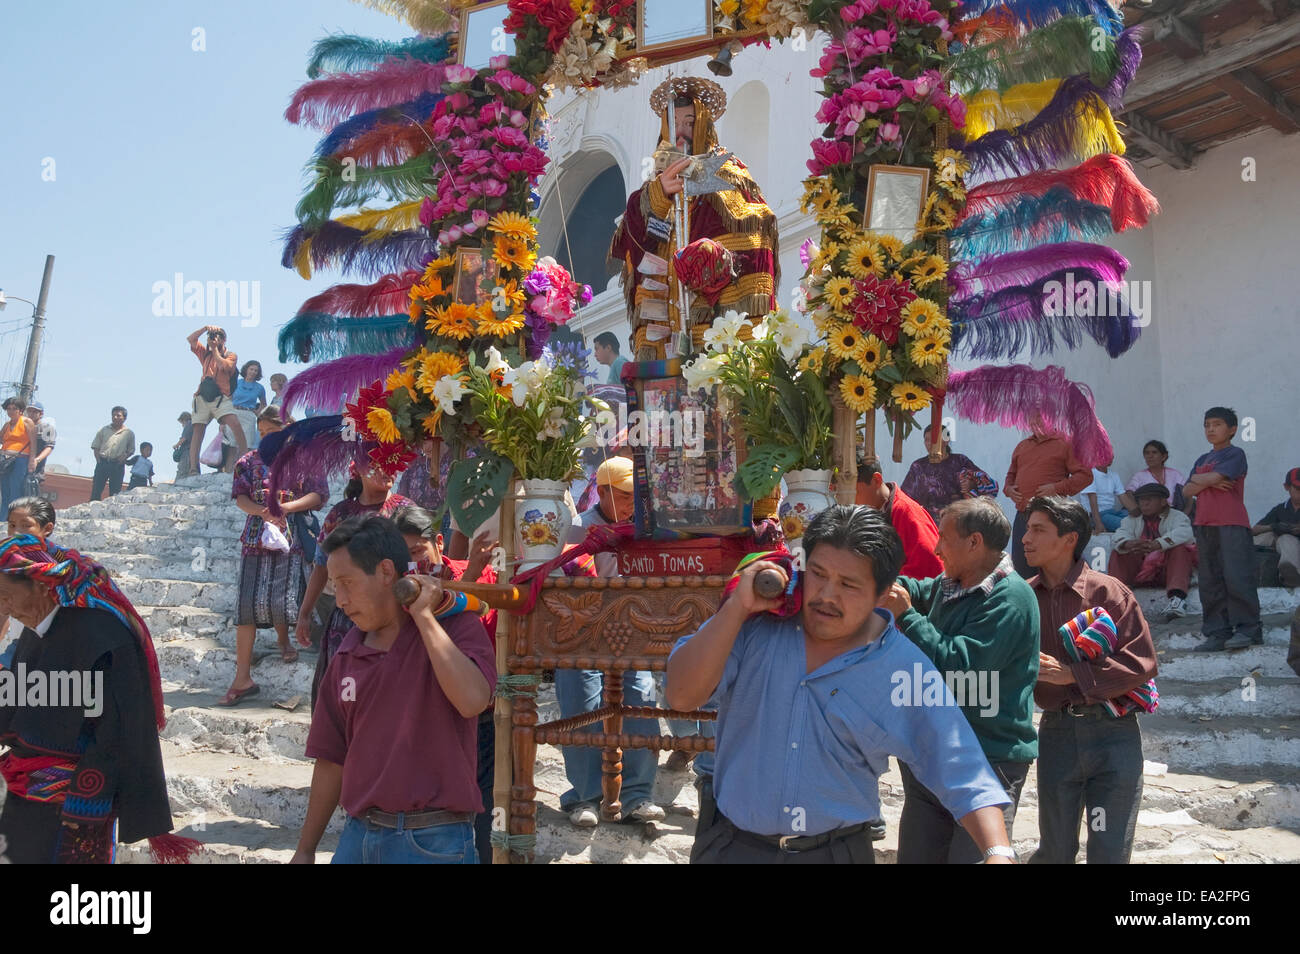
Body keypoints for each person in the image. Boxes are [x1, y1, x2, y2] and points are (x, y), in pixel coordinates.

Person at [667, 505, 1015, 864]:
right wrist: (735, 609)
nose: (827, 595)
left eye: (848, 584)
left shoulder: (901, 669)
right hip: (732, 847)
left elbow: (959, 764)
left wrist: (998, 852)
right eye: (817, 574)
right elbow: (681, 695)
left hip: (836, 852)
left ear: (883, 595)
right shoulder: (755, 625)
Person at [292, 516, 495, 865]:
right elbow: (331, 758)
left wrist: (425, 618)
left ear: (387, 572)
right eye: (335, 587)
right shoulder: (347, 654)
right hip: (358, 836)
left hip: (436, 840)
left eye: (346, 583)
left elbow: (472, 701)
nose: (340, 600)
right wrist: (306, 849)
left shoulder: (456, 628)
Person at [0, 536, 199, 863]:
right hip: (23, 793)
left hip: (75, 803)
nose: (4, 609)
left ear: (40, 584)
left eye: (6, 597)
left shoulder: (102, 639)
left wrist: (86, 797)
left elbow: (116, 733)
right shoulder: (34, 631)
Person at [879, 497, 1040, 864]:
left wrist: (907, 616)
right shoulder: (952, 584)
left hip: (988, 758)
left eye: (945, 540)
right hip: (932, 754)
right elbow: (919, 589)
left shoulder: (1011, 598)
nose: (936, 549)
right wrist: (877, 582)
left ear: (974, 542)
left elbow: (963, 667)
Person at [1021, 496, 1158, 865]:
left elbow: (1141, 662)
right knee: (1055, 851)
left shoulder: (1107, 592)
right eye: (1027, 529)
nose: (1025, 539)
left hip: (1115, 733)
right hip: (1057, 734)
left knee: (1110, 853)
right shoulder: (1023, 597)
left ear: (1069, 539)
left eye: (1038, 530)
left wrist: (1072, 674)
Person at [609, 75, 778, 361]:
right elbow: (634, 239)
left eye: (689, 122)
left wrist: (716, 257)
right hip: (664, 327)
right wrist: (660, 193)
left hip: (713, 319)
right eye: (674, 124)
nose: (681, 133)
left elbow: (758, 227)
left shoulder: (729, 170)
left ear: (704, 125)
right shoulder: (653, 186)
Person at [558, 456, 665, 826]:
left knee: (642, 701)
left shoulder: (647, 528)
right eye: (623, 496)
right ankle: (585, 797)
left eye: (637, 497)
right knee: (580, 699)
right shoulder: (576, 530)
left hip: (634, 630)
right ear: (601, 492)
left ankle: (637, 795)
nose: (632, 505)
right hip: (585, 632)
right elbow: (565, 584)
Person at [393, 505, 499, 864]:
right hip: (427, 720)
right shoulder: (399, 588)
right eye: (401, 555)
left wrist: (469, 575)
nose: (412, 563)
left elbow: (481, 624)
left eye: (417, 551)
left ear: (439, 542)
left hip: (482, 717)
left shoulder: (474, 573)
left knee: (488, 807)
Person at [219, 409, 328, 707]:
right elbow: (240, 496)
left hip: (291, 539)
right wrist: (261, 511)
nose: (267, 437)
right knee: (246, 605)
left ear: (288, 429)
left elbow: (318, 496)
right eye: (263, 432)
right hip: (255, 538)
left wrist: (287, 508)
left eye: (273, 432)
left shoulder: (306, 460)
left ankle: (283, 640)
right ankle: (242, 678)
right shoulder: (248, 461)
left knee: (282, 598)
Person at [295, 455, 415, 709]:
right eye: (380, 462)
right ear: (359, 468)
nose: (388, 469)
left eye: (394, 462)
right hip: (345, 620)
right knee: (341, 699)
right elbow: (320, 566)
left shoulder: (406, 510)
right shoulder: (340, 513)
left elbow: (418, 563)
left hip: (393, 619)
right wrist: (305, 612)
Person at [1182, 407, 1261, 652]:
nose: (1210, 429)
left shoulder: (1235, 454)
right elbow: (1186, 491)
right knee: (1210, 581)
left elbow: (1197, 483)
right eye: (1207, 425)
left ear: (1232, 429)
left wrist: (1200, 481)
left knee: (1237, 576)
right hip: (1204, 524)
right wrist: (1212, 480)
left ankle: (1248, 629)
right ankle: (1217, 631)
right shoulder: (1202, 460)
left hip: (1232, 523)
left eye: (1216, 424)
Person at [1003, 413, 1093, 577]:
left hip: (1053, 515)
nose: (1034, 421)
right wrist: (1009, 490)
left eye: (1040, 416)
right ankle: (1029, 601)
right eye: (1031, 417)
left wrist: (1056, 488)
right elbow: (1010, 477)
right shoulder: (1022, 446)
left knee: (1057, 563)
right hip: (1024, 515)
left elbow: (1085, 476)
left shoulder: (1066, 443)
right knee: (1023, 565)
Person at [1109, 483, 1197, 621]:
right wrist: (1129, 543)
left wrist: (1158, 544)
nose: (1144, 504)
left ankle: (1177, 599)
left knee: (1179, 549)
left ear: (1163, 501)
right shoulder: (1131, 519)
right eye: (1141, 500)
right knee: (1119, 551)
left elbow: (1185, 533)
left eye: (1149, 499)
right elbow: (1119, 535)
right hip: (1141, 572)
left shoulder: (1177, 516)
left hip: (1166, 571)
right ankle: (1116, 600)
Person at [855, 454, 944, 578]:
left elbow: (931, 567)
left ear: (876, 480)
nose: (848, 500)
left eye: (854, 492)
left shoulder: (906, 512)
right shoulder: (868, 513)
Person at [900, 424, 999, 524]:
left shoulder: (960, 461)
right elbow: (905, 497)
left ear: (946, 440)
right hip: (928, 523)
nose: (929, 443)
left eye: (933, 439)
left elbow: (991, 486)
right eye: (926, 440)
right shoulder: (918, 466)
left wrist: (972, 485)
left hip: (958, 523)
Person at [0, 496, 58, 668]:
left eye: (26, 526)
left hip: (54, 646)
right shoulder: (6, 564)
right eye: (12, 525)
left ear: (47, 529)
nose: (16, 532)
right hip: (20, 646)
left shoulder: (60, 567)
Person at [186, 324, 245, 476]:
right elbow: (191, 339)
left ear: (224, 340)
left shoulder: (230, 355)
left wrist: (215, 350)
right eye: (211, 336)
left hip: (221, 398)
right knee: (198, 430)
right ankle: (193, 468)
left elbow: (225, 367)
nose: (213, 338)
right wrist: (205, 328)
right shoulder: (205, 354)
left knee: (235, 424)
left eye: (217, 336)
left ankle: (245, 459)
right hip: (202, 397)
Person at [1251, 467, 1300, 588]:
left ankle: (1291, 574)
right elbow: (1254, 530)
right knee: (1262, 537)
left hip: (1293, 547)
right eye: (1298, 488)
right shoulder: (1280, 509)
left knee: (1286, 539)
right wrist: (1273, 526)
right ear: (1287, 487)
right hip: (1282, 546)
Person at [1118, 439, 1184, 514]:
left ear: (1164, 456)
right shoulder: (1140, 476)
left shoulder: (1175, 474)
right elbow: (1129, 492)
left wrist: (1185, 513)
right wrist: (1138, 509)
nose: (1150, 456)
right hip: (1149, 514)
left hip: (1173, 512)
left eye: (1154, 452)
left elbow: (1187, 495)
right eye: (1147, 453)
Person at [89, 405, 136, 501]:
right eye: (113, 415)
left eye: (118, 415)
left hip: (117, 465)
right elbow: (96, 446)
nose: (115, 417)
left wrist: (124, 457)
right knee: (96, 490)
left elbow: (131, 449)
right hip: (102, 462)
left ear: (124, 418)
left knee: (114, 493)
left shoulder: (129, 433)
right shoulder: (104, 430)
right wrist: (98, 461)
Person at [0, 396, 33, 512]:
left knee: (15, 490)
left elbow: (33, 443)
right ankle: (3, 519)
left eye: (14, 408)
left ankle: (13, 519)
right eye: (9, 408)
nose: (11, 411)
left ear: (20, 410)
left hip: (20, 460)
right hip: (5, 461)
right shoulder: (7, 425)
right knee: (5, 490)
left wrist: (32, 461)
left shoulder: (26, 422)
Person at [1080, 460, 1127, 534]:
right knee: (1126, 525)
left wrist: (1139, 515)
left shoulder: (1114, 475)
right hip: (1097, 515)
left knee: (1132, 518)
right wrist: (1098, 523)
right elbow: (1092, 500)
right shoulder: (1089, 474)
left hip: (1112, 512)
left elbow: (1124, 497)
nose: (1109, 458)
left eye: (1111, 454)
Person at [232, 360, 268, 451]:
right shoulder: (236, 382)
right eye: (251, 369)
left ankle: (242, 464)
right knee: (231, 444)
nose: (253, 372)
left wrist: (257, 413)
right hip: (234, 413)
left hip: (249, 416)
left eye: (256, 370)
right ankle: (229, 465)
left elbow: (264, 404)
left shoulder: (259, 388)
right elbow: (228, 399)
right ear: (246, 369)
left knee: (246, 444)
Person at [24, 400, 56, 476]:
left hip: (35, 469)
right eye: (29, 411)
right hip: (19, 464)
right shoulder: (22, 426)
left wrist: (36, 460)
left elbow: (49, 447)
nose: (31, 414)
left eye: (34, 412)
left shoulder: (47, 428)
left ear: (41, 414)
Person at [173, 411, 196, 480]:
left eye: (182, 423)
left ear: (184, 419)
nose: (182, 425)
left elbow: (184, 438)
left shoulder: (189, 424)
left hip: (186, 451)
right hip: (192, 451)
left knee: (183, 469)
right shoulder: (194, 426)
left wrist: (176, 445)